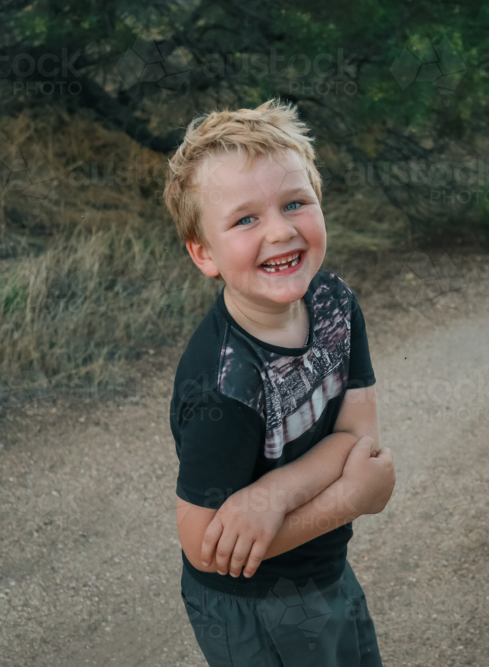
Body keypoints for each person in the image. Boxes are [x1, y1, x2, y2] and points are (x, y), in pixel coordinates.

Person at [162, 98, 395, 664]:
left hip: (325, 571)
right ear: (204, 253)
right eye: (245, 219)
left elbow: (356, 435)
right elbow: (204, 548)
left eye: (295, 203)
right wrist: (346, 501)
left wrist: (273, 494)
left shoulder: (335, 304)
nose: (280, 231)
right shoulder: (224, 384)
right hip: (251, 607)